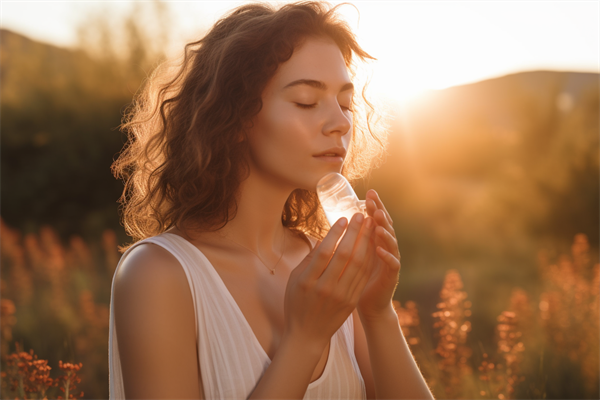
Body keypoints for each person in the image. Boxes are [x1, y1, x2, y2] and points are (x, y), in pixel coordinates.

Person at [109, 1, 434, 399]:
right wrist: (304, 339)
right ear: (236, 117)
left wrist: (377, 311)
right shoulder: (158, 275)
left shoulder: (331, 273)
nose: (341, 122)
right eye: (306, 102)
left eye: (345, 103)